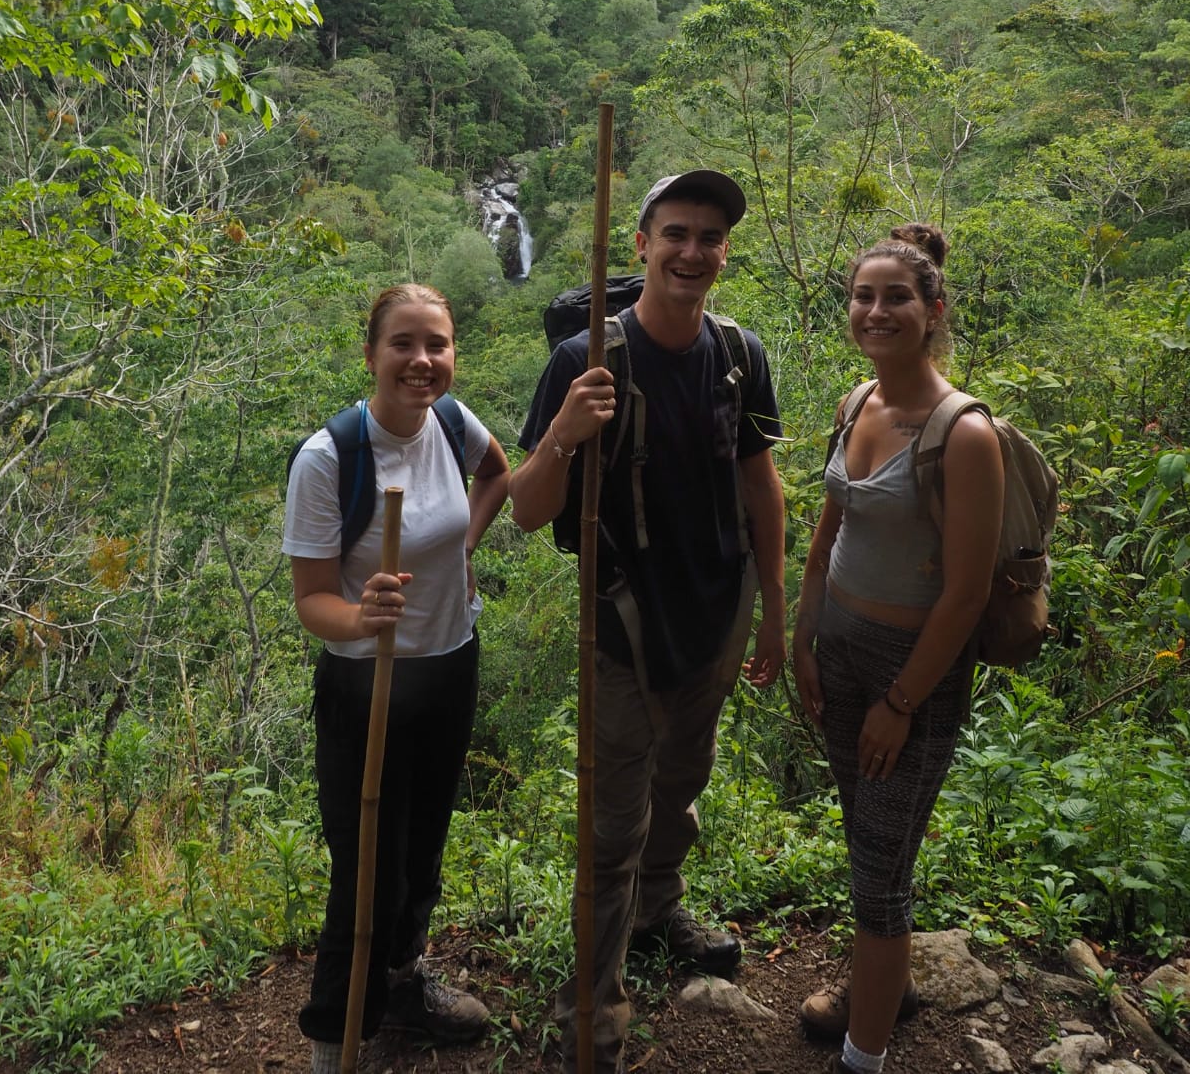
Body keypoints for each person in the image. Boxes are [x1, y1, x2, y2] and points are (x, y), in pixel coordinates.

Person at [510, 169, 787, 1074]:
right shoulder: (586, 360)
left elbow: (759, 485)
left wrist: (776, 611)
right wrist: (563, 434)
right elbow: (524, 508)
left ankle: (660, 907)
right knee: (613, 816)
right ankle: (591, 1015)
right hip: (624, 619)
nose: (693, 251)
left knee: (682, 777)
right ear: (640, 245)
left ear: (724, 252)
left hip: (717, 607)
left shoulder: (739, 351)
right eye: (676, 233)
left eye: (710, 237)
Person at [791, 226, 1005, 1074]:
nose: (876, 310)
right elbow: (828, 527)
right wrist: (804, 634)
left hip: (908, 670)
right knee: (869, 837)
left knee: (881, 871)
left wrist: (901, 700)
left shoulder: (963, 434)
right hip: (839, 651)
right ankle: (888, 988)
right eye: (863, 295)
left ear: (934, 310)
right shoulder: (856, 402)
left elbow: (967, 593)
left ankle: (863, 1054)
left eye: (897, 297)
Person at [283, 283, 510, 1074]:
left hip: (449, 663)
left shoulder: (450, 422)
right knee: (366, 868)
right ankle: (332, 1035)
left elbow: (499, 475)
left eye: (437, 344)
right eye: (404, 344)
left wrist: (462, 550)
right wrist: (363, 615)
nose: (423, 360)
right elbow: (313, 600)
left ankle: (404, 983)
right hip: (365, 685)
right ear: (372, 352)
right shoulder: (330, 456)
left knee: (422, 849)